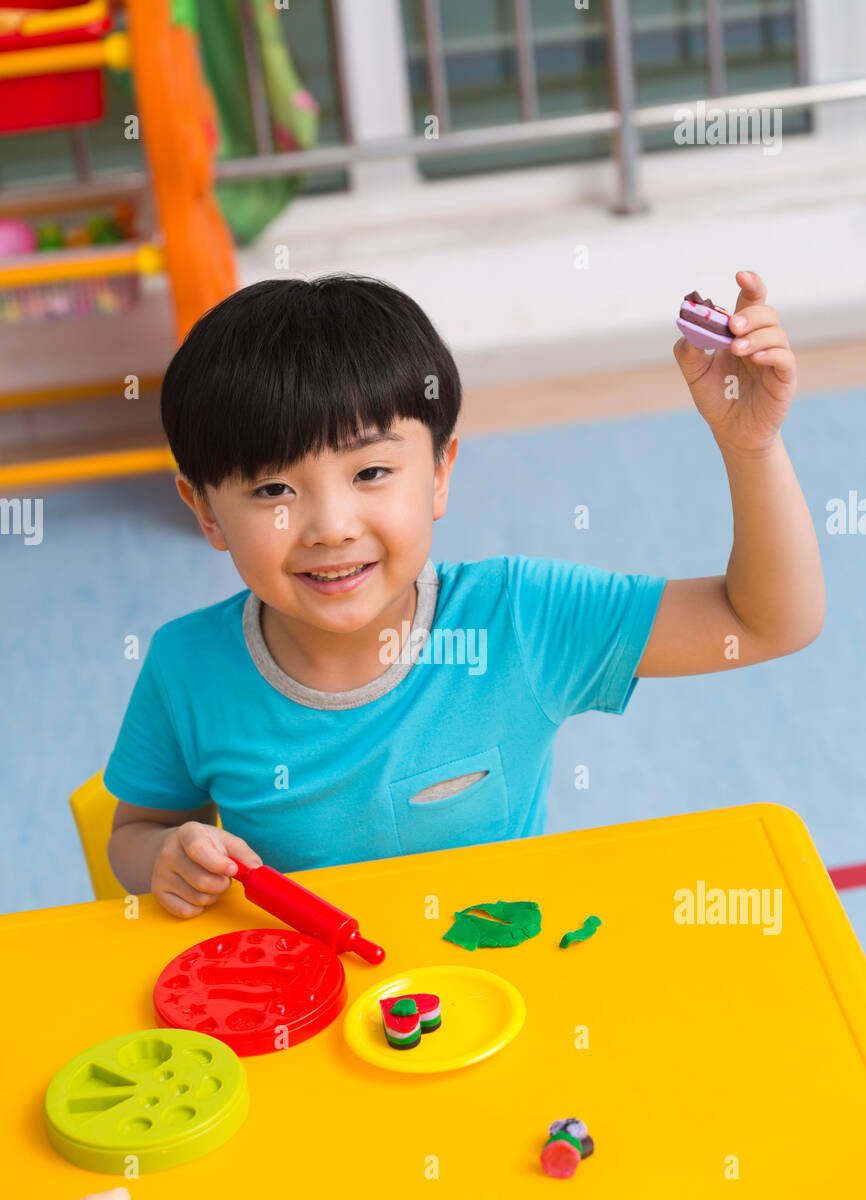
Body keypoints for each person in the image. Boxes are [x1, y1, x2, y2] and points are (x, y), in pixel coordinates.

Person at [105, 271, 824, 918]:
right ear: (204, 512)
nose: (330, 527)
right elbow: (137, 832)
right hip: (310, 1012)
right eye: (272, 490)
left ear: (441, 471)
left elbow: (763, 623)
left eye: (372, 473)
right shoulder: (185, 668)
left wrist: (750, 445)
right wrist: (165, 860)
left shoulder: (520, 617)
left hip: (499, 994)